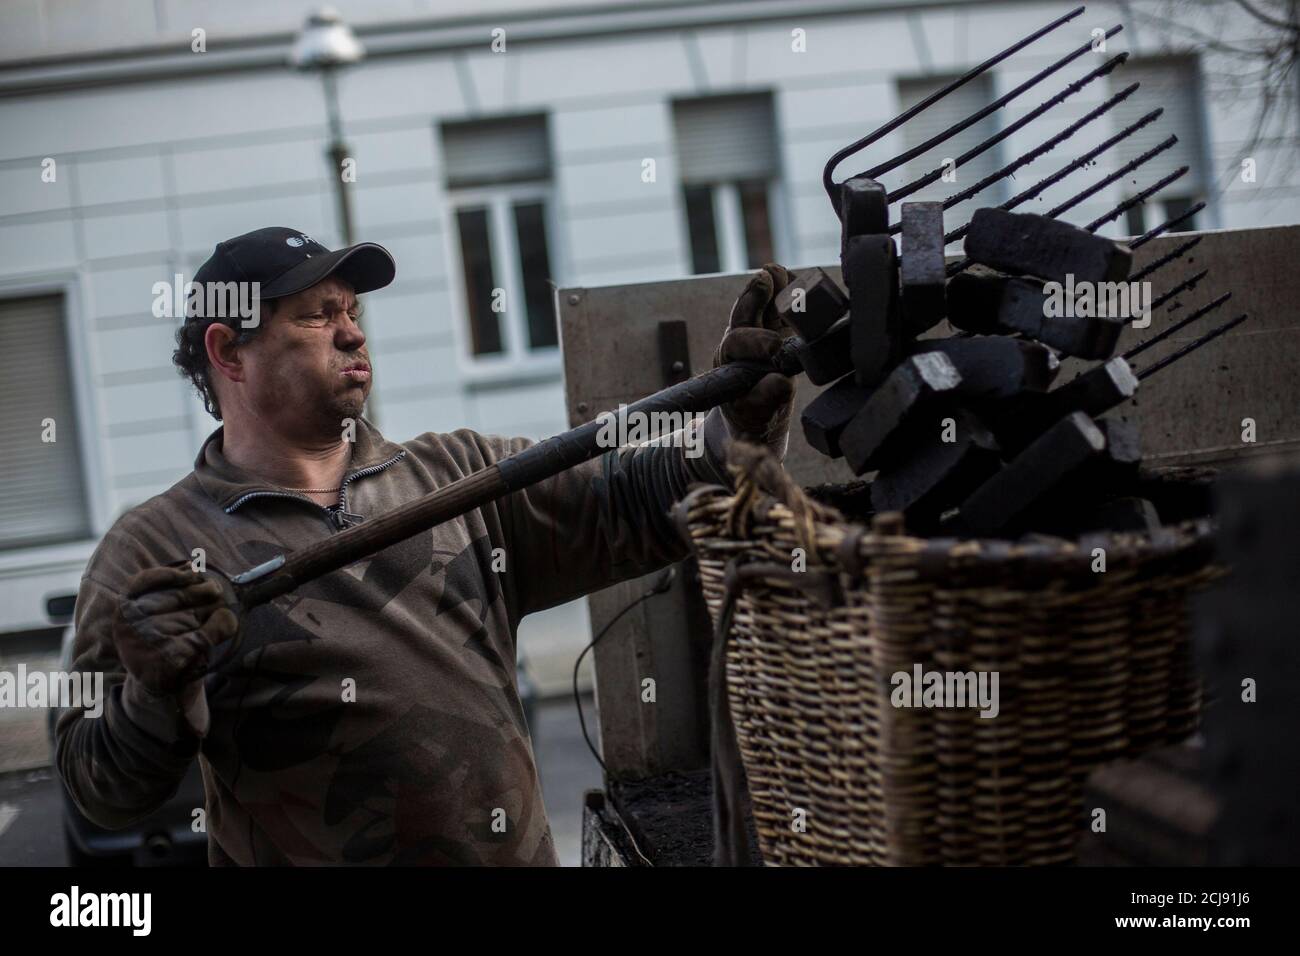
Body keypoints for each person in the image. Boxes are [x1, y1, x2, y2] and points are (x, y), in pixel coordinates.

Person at [54, 226, 795, 865]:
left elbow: (645, 497)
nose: (352, 332)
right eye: (317, 316)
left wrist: (738, 430)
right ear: (229, 351)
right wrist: (156, 693)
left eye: (353, 311)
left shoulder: (458, 475)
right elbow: (99, 791)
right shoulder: (157, 549)